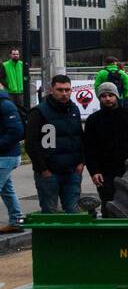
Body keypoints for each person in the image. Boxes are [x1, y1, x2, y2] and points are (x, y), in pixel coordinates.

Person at [25, 73, 84, 213]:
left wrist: (81, 162)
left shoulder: (74, 110)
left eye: (67, 90)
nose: (64, 93)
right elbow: (31, 144)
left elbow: (79, 137)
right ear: (52, 90)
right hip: (49, 174)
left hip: (72, 172)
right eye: (60, 90)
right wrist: (43, 170)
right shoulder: (39, 112)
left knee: (73, 212)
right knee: (50, 213)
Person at [83, 82, 128, 203]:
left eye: (111, 95)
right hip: (105, 173)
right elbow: (89, 148)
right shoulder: (93, 120)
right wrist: (94, 171)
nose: (107, 98)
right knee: (108, 204)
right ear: (99, 98)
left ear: (117, 96)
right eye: (103, 96)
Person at [0, 73, 25, 232]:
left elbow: (17, 131)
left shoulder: (5, 104)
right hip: (5, 155)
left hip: (6, 156)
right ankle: (16, 221)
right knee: (7, 190)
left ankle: (17, 221)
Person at [3, 49, 24, 116]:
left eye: (17, 54)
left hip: (21, 92)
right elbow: (1, 78)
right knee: (11, 110)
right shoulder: (5, 65)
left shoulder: (22, 64)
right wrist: (7, 85)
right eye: (14, 54)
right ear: (10, 55)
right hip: (10, 92)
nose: (16, 56)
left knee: (21, 110)